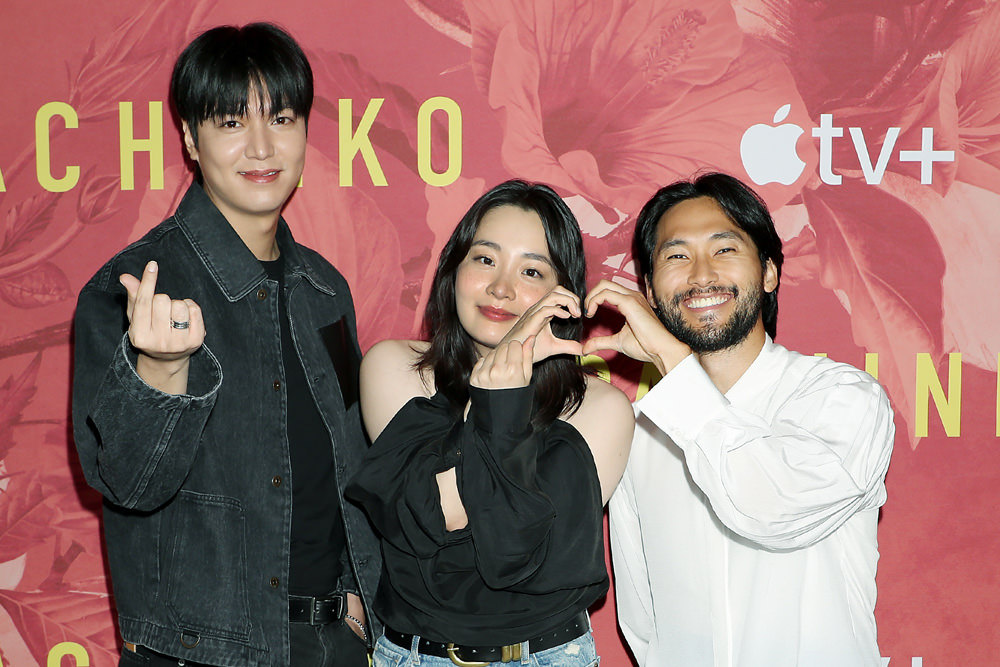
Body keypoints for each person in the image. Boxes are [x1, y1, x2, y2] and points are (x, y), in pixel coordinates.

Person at [72, 23, 379, 667]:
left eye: (283, 117)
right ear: (190, 135)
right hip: (200, 653)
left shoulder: (326, 290)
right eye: (231, 120)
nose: (262, 146)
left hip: (330, 642)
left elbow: (348, 456)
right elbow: (126, 484)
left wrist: (354, 595)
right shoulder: (129, 291)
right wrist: (159, 371)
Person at [585, 172, 894, 667]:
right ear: (648, 288)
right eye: (676, 256)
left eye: (724, 249)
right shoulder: (640, 430)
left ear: (769, 272)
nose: (701, 274)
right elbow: (643, 621)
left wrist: (672, 362)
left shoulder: (844, 399)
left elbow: (766, 506)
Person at [345, 180, 634, 667]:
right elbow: (442, 516)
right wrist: (498, 391)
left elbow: (511, 555)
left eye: (531, 270)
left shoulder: (601, 409)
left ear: (563, 295)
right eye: (484, 259)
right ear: (453, 270)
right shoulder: (394, 368)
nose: (502, 288)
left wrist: (504, 394)